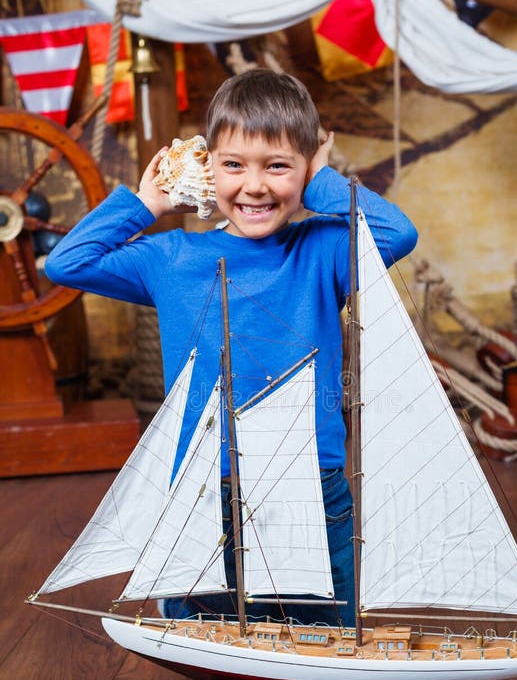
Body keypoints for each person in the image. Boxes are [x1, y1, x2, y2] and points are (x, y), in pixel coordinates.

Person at [46, 69, 417, 627]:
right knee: (204, 626)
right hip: (204, 486)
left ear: (307, 168)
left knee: (325, 630)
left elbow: (397, 234)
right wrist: (146, 204)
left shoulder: (322, 253)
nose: (255, 186)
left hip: (311, 483)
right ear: (207, 165)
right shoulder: (168, 257)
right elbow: (66, 263)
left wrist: (319, 176)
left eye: (278, 166)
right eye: (234, 165)